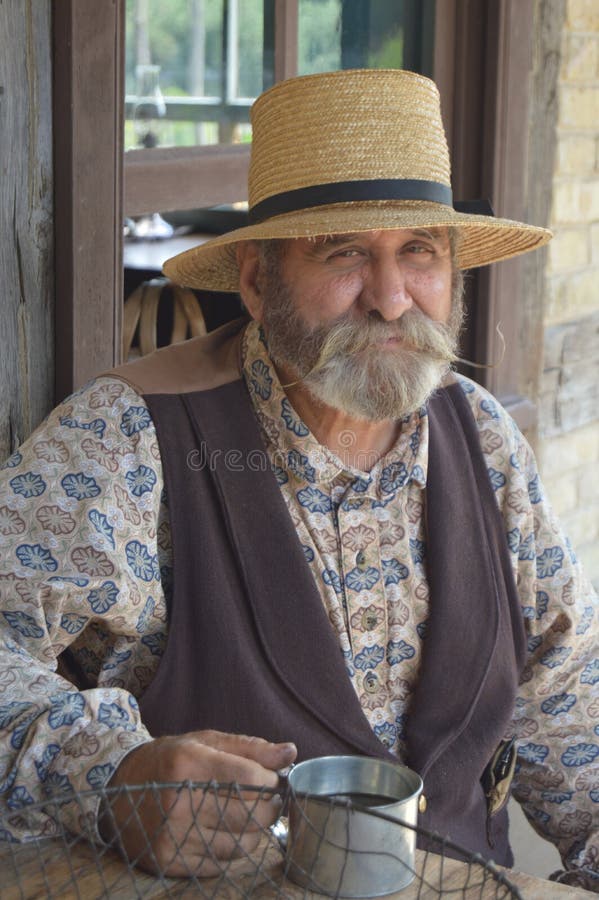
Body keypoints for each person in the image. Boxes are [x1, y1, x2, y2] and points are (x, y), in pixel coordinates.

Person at [0, 68, 597, 890]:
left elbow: (572, 706)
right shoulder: (134, 435)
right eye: (344, 251)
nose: (390, 299)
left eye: (418, 251)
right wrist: (112, 779)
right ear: (255, 279)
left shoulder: (482, 436)